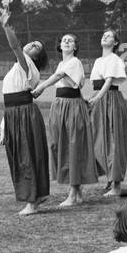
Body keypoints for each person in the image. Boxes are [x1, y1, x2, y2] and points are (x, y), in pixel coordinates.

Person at [0, 6, 49, 216]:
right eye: (33, 42)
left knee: (26, 156)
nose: (32, 44)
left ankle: (32, 201)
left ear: (36, 56)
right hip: (15, 113)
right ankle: (37, 195)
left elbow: (15, 46)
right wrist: (3, 125)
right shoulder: (19, 68)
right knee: (24, 155)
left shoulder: (26, 64)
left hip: (22, 113)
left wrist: (6, 26)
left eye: (36, 46)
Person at [34, 34, 97, 207]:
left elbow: (61, 76)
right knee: (59, 145)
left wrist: (40, 87)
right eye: (63, 40)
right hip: (61, 105)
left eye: (71, 40)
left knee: (72, 146)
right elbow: (71, 82)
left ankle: (73, 193)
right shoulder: (62, 63)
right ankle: (77, 193)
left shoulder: (74, 62)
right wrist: (84, 98)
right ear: (60, 46)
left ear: (75, 47)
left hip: (71, 107)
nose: (67, 42)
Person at [89, 29, 127, 197]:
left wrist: (97, 98)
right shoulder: (99, 60)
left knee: (113, 140)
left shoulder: (114, 59)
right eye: (104, 35)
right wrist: (93, 98)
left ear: (115, 43)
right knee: (99, 138)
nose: (105, 36)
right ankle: (109, 177)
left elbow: (109, 81)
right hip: (100, 100)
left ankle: (116, 184)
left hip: (110, 99)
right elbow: (96, 83)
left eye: (110, 36)